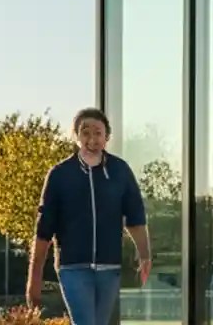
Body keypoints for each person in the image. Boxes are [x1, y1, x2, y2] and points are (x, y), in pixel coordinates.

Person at [26, 107, 151, 324]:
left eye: (98, 133)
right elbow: (44, 228)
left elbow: (135, 217)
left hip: (109, 268)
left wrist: (145, 254)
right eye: (85, 132)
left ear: (107, 137)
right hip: (72, 267)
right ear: (76, 136)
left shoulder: (120, 171)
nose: (92, 138)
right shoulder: (60, 175)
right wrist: (34, 276)